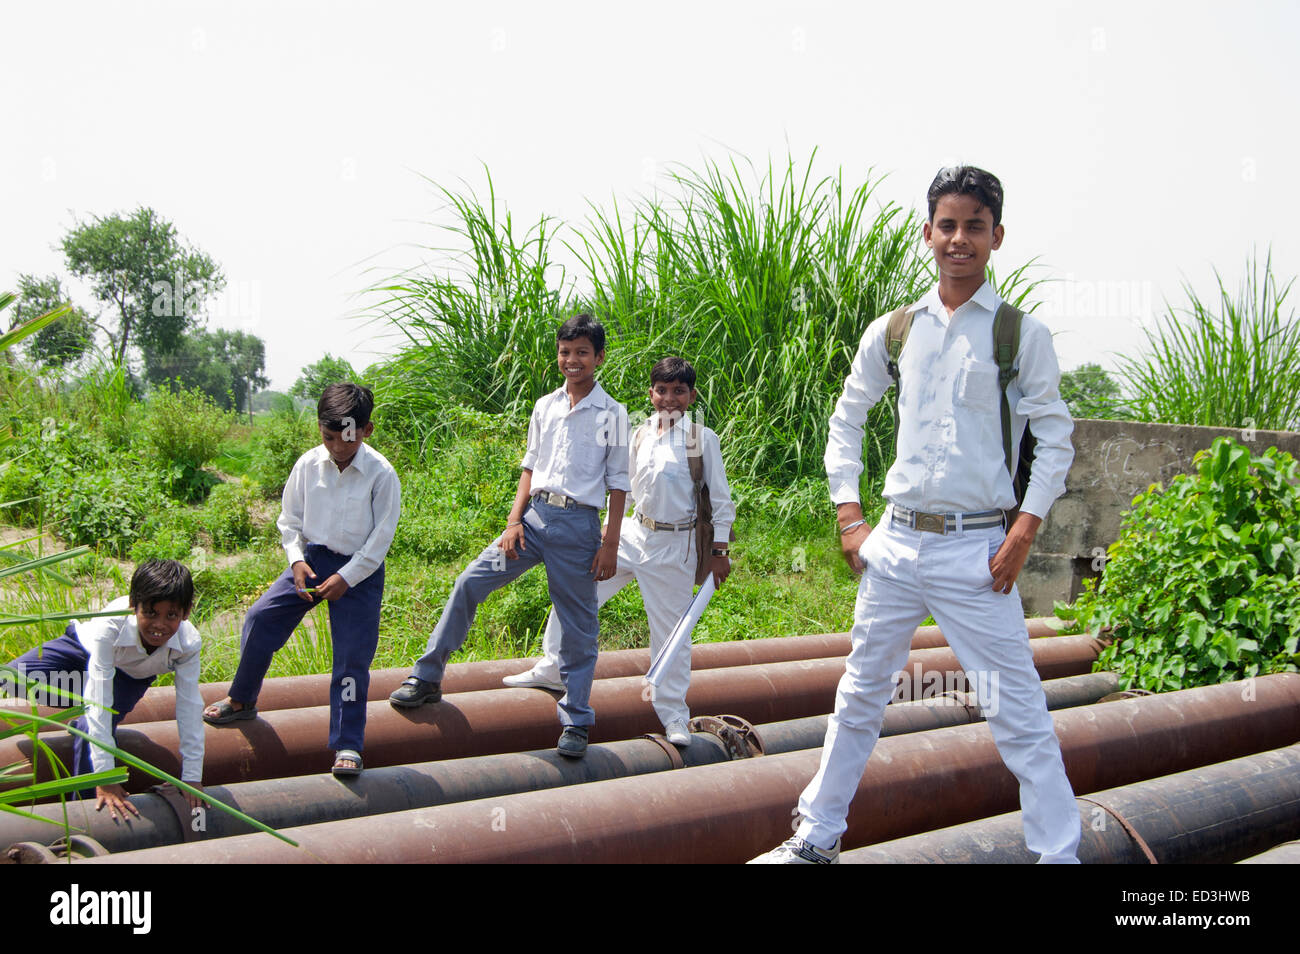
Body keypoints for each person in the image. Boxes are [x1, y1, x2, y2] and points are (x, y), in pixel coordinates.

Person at [751, 166, 1080, 863]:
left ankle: (1059, 854)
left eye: (975, 227)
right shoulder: (896, 329)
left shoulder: (1020, 335)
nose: (959, 239)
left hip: (978, 552)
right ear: (928, 232)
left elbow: (1055, 436)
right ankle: (815, 839)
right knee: (859, 697)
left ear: (996, 237)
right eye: (948, 225)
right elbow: (846, 417)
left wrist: (1025, 528)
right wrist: (849, 515)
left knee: (1016, 709)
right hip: (897, 545)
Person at [389, 314, 630, 760]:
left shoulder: (612, 413)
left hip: (579, 530)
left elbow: (618, 482)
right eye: (564, 351)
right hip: (533, 523)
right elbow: (530, 467)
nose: (571, 360)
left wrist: (609, 542)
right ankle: (427, 676)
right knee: (470, 581)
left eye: (581, 352)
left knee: (578, 624)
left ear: (598, 357)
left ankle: (576, 717)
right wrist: (513, 521)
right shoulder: (546, 405)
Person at [503, 356, 736, 746]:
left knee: (672, 635)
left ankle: (674, 714)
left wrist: (719, 551)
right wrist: (608, 536)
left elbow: (722, 500)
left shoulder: (701, 439)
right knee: (578, 591)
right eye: (662, 390)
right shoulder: (640, 432)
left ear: (692, 396)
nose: (669, 399)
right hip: (632, 534)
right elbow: (621, 488)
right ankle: (552, 667)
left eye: (679, 391)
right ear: (651, 393)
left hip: (673, 547)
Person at [203, 382, 401, 780]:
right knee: (261, 618)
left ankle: (347, 743)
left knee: (350, 660)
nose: (337, 448)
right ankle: (242, 699)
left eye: (346, 438)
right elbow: (290, 521)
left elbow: (381, 539)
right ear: (320, 430)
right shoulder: (308, 466)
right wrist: (295, 560)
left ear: (366, 431)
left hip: (359, 572)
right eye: (328, 437)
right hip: (312, 561)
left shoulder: (381, 474)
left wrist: (346, 578)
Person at [6, 559, 205, 820]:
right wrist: (106, 775)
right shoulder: (111, 625)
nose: (160, 625)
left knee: (91, 725)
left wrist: (192, 777)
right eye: (151, 613)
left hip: (129, 678)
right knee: (11, 677)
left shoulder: (188, 643)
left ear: (186, 612)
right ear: (134, 605)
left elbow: (190, 707)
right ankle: (86, 714)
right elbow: (99, 694)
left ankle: (87, 816)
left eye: (172, 616)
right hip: (82, 652)